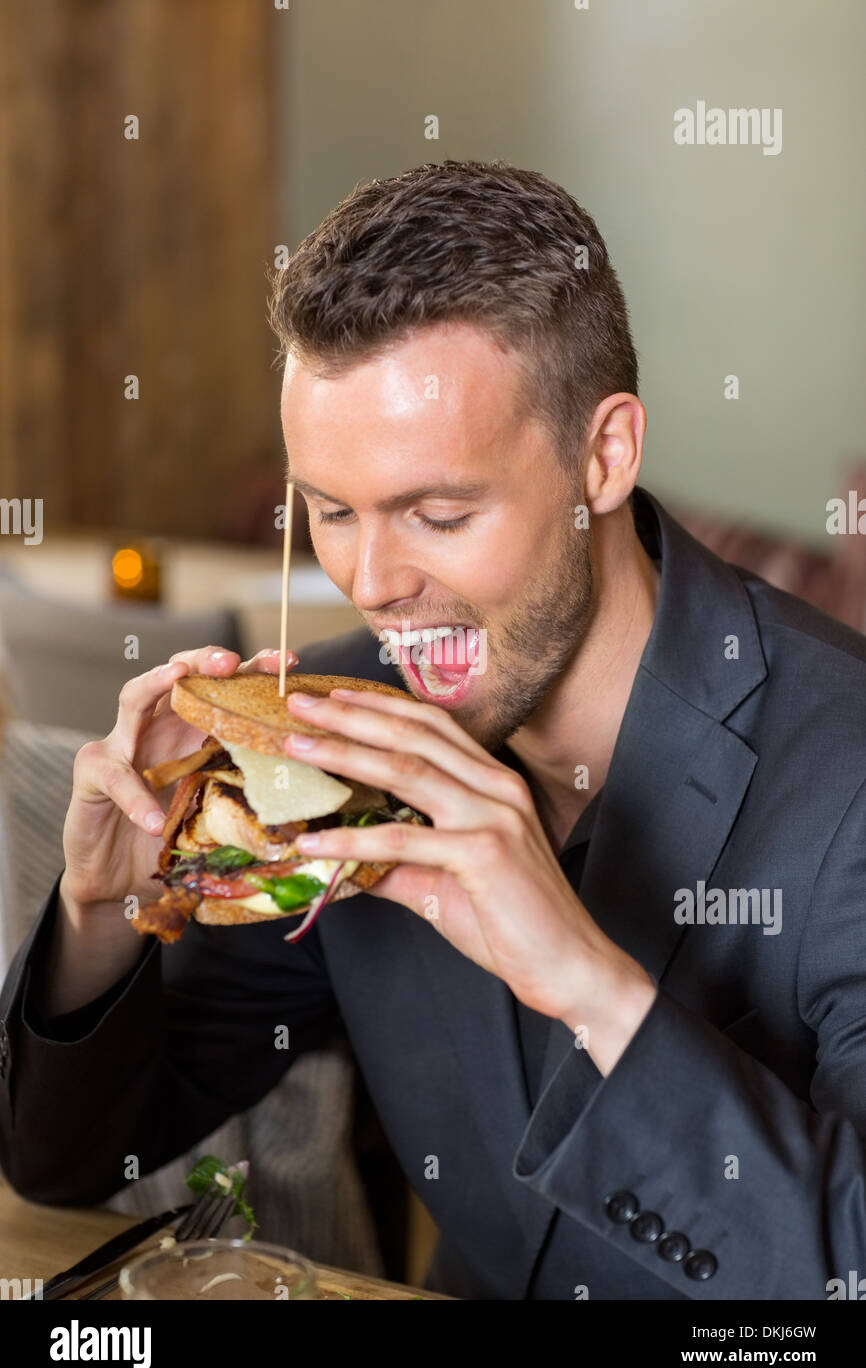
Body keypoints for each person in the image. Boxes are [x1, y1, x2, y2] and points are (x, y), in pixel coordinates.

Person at [2, 160, 865, 1300]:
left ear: (604, 457)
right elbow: (68, 1164)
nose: (371, 583)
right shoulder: (344, 732)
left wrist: (591, 985)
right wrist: (102, 910)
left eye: (440, 513)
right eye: (329, 511)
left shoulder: (847, 769)